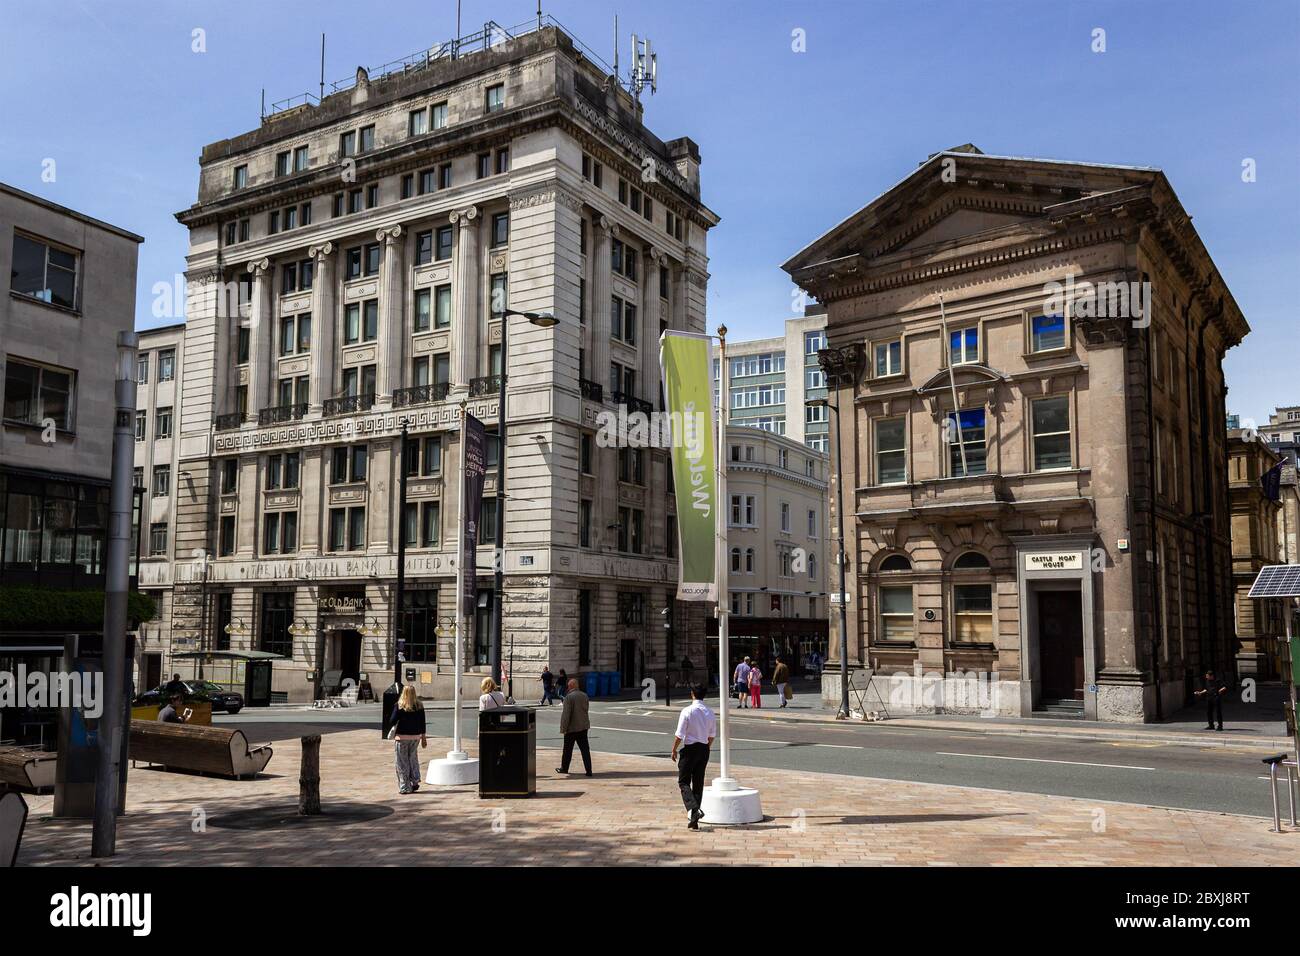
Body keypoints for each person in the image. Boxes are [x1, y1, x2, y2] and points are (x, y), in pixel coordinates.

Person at [671, 683, 716, 830]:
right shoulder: (710, 712)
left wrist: (674, 750)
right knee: (698, 783)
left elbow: (679, 734)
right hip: (704, 749)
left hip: (690, 749)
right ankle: (694, 820)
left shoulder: (687, 711)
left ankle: (694, 809)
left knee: (683, 781)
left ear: (692, 694)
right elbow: (712, 735)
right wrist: (706, 748)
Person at [389, 685, 427, 794]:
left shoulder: (399, 706)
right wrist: (423, 736)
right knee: (413, 759)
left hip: (402, 737)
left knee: (402, 762)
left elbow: (392, 721)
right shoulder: (419, 706)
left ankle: (405, 786)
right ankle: (415, 781)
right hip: (415, 738)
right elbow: (422, 723)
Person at [555, 678, 592, 776]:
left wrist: (563, 728)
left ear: (570, 686)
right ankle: (589, 770)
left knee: (567, 750)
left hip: (571, 728)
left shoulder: (569, 697)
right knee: (585, 750)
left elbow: (566, 715)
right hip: (583, 726)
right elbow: (586, 709)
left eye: (568, 686)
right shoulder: (585, 695)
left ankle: (564, 768)